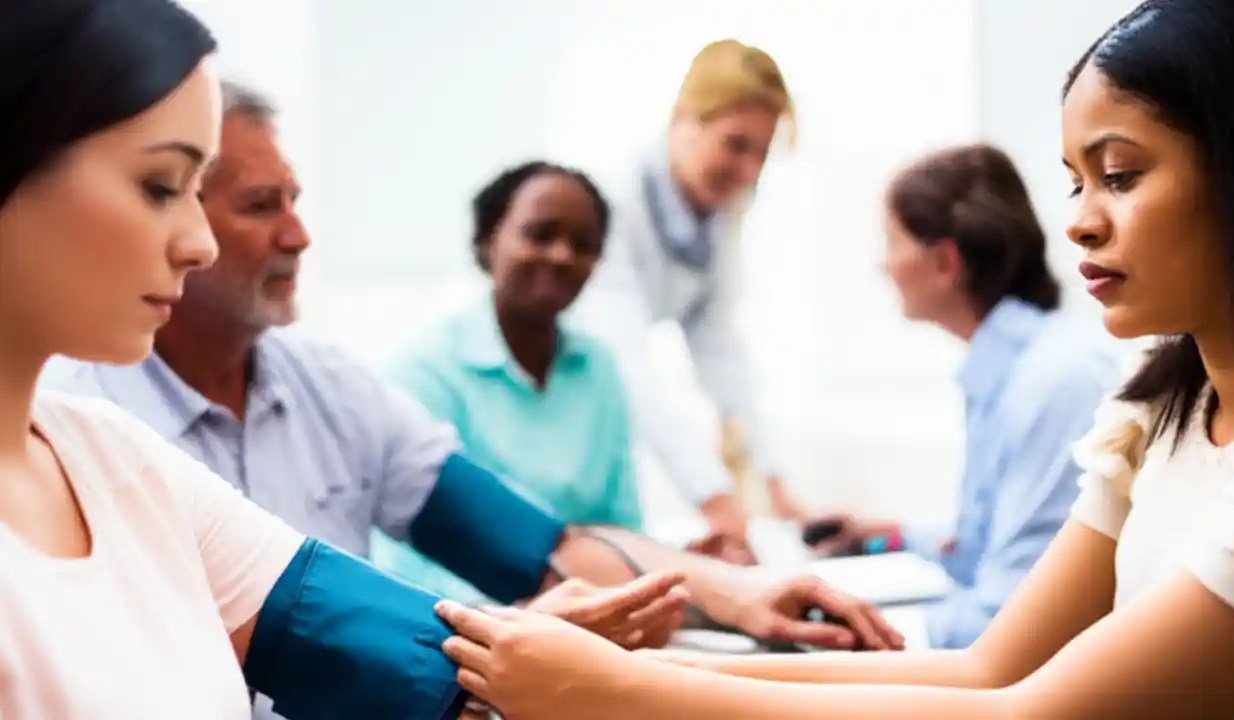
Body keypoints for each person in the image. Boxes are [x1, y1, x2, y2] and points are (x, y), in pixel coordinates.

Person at [436, 1, 1234, 716]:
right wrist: (636, 671)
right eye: (1075, 183)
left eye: (1121, 175)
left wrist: (618, 686)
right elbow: (989, 670)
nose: (1081, 223)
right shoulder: (1148, 414)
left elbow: (1026, 707)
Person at [40, 73, 904, 713]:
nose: (300, 234)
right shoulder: (90, 430)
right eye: (262, 205)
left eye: (296, 200)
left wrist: (730, 590)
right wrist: (516, 642)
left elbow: (538, 545)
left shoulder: (332, 389)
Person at [798, 144, 1121, 649]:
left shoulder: (1056, 380)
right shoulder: (1016, 367)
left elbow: (1010, 614)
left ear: (946, 261)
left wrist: (856, 635)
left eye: (892, 241)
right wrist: (894, 534)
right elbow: (991, 545)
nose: (883, 265)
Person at [371, 161, 644, 603]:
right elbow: (403, 558)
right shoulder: (424, 371)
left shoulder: (599, 369)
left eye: (583, 244)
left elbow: (623, 528)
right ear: (486, 243)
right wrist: (535, 607)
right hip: (468, 629)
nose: (561, 255)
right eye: (540, 234)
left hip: (587, 617)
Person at [570, 39, 804, 554]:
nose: (748, 170)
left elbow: (718, 344)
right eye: (736, 144)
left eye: (761, 154)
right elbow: (628, 365)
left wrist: (773, 480)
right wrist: (714, 497)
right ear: (684, 120)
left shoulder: (718, 212)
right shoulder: (612, 198)